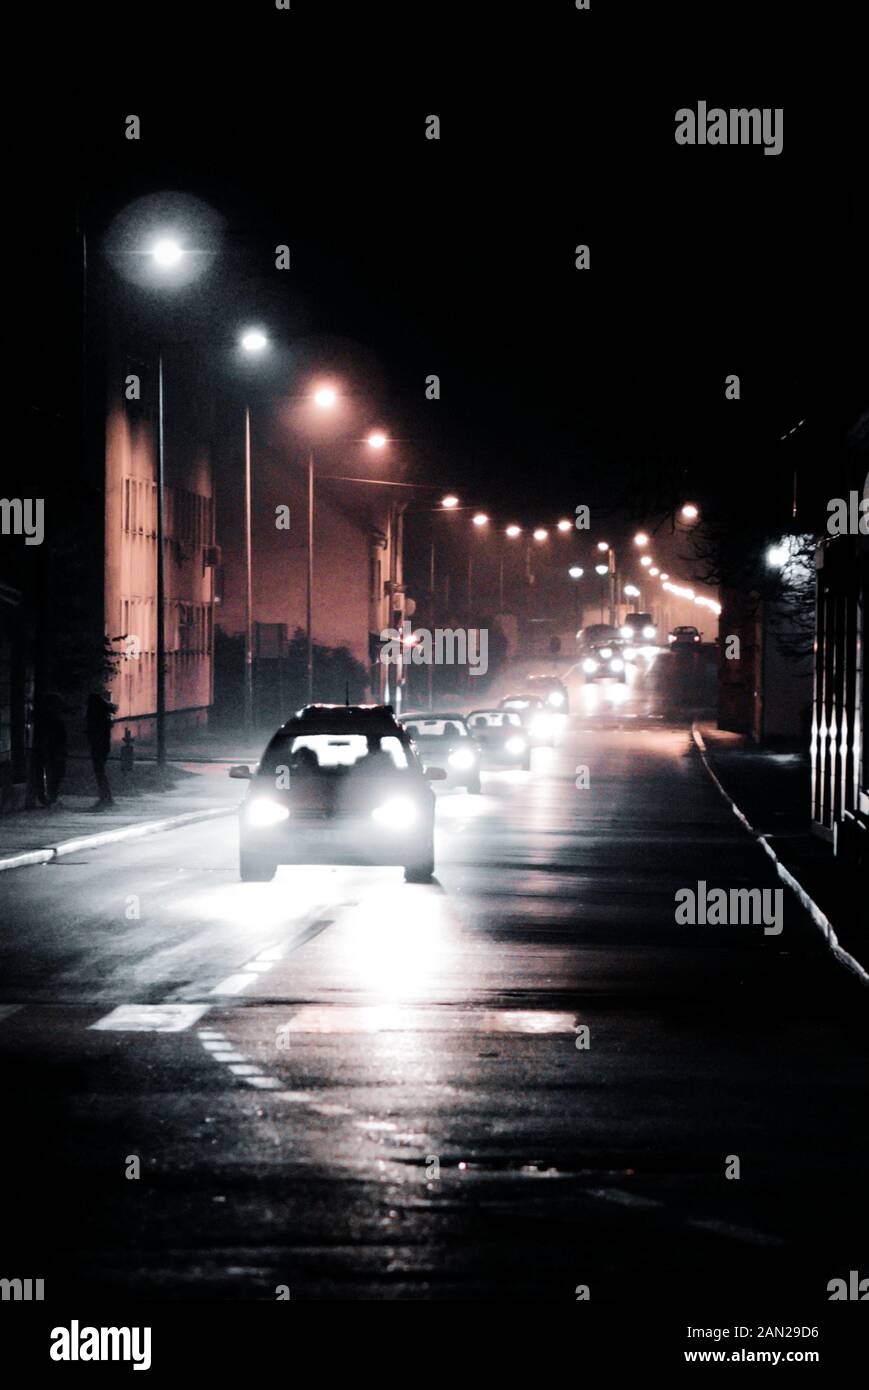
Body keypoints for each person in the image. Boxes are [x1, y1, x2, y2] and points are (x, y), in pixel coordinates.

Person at [32, 692, 67, 806]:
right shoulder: (54, 720)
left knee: (51, 773)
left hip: (51, 750)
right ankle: (49, 797)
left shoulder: (46, 718)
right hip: (53, 750)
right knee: (54, 773)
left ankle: (47, 797)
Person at [85, 692, 115, 809]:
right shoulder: (103, 717)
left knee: (100, 772)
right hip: (102, 747)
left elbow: (94, 732)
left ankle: (106, 797)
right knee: (100, 772)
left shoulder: (96, 717)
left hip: (98, 747)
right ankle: (106, 797)